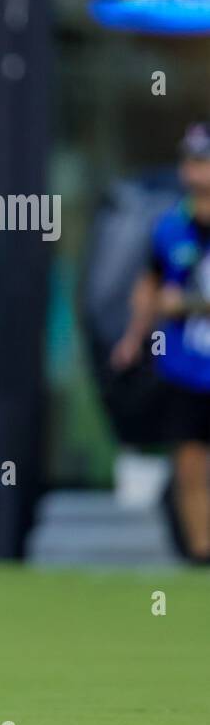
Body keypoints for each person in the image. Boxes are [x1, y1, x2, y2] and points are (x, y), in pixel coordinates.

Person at [112, 122, 210, 563]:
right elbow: (149, 285)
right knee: (189, 462)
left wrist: (188, 303)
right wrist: (134, 337)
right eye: (190, 160)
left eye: (203, 161)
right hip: (187, 366)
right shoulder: (170, 227)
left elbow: (180, 297)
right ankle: (201, 553)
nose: (195, 171)